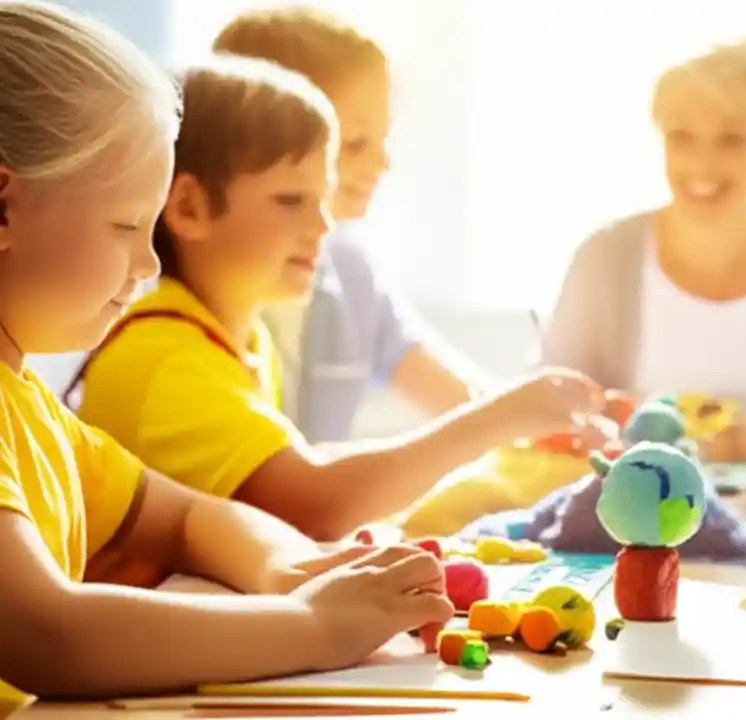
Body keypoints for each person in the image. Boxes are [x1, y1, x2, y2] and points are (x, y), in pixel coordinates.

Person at [0, 1, 450, 711]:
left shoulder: (30, 413)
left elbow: (188, 520)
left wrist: (293, 570)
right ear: (3, 208)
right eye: (125, 225)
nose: (149, 263)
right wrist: (313, 624)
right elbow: (46, 634)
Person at [70, 56, 603, 550]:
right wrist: (497, 419)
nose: (323, 224)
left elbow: (292, 470)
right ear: (189, 207)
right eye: (290, 200)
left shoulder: (235, 336)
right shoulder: (167, 357)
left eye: (323, 199)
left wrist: (505, 429)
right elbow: (316, 506)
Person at [541, 39, 746, 462]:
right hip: (621, 501)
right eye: (681, 137)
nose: (702, 164)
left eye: (731, 140)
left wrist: (722, 447)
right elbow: (555, 411)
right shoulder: (602, 256)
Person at [211, 6, 487, 444]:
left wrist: (537, 416)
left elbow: (467, 399)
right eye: (355, 143)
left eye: (383, 138)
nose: (383, 163)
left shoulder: (351, 278)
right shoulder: (201, 290)